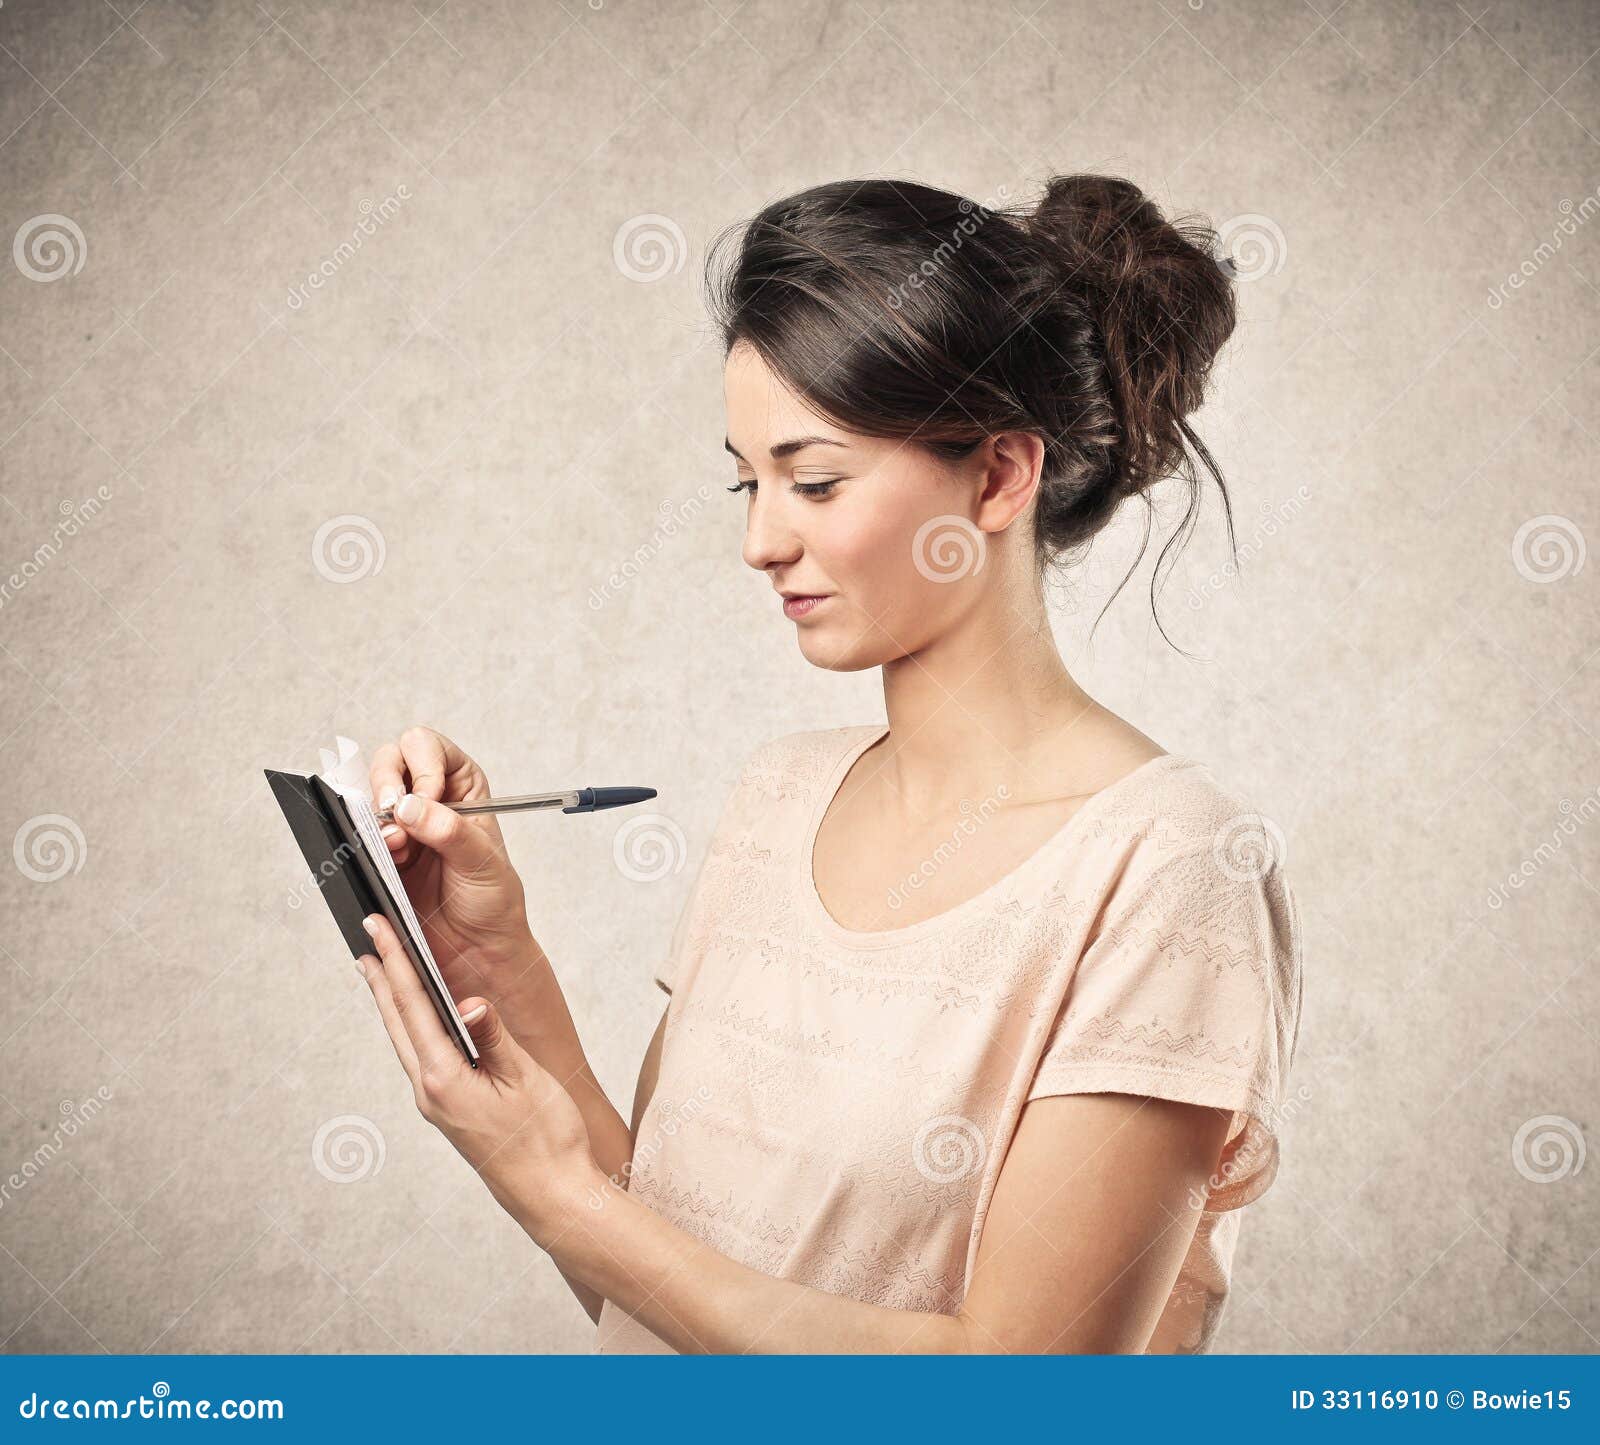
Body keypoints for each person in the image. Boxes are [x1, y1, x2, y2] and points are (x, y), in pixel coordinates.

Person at [353, 174, 1304, 1354]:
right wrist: (497, 960)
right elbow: (667, 1272)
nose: (760, 540)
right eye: (745, 481)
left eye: (813, 481)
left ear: (999, 476)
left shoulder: (1167, 869)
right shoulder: (780, 794)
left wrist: (559, 1198)